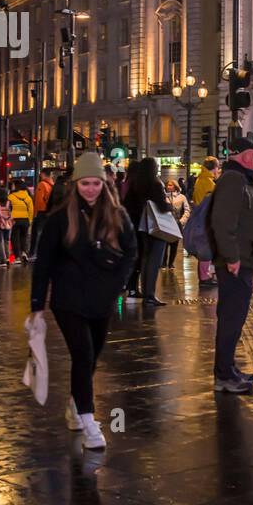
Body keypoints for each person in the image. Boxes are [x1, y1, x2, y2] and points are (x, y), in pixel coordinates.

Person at [29, 152, 136, 449]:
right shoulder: (59, 219)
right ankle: (89, 424)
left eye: (95, 183)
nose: (90, 189)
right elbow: (43, 264)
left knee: (91, 358)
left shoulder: (117, 214)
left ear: (103, 184)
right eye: (85, 183)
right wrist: (37, 306)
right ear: (76, 184)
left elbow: (131, 251)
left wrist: (120, 283)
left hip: (102, 299)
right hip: (68, 300)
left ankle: (76, 405)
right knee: (83, 355)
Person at [209, 137, 253, 394]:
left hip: (243, 261)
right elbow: (223, 222)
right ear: (244, 155)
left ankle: (229, 368)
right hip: (236, 263)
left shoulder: (242, 178)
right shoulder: (234, 180)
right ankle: (224, 375)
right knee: (231, 318)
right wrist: (232, 258)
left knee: (234, 318)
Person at [122, 156, 170, 306]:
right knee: (154, 260)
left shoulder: (136, 185)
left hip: (141, 227)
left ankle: (144, 291)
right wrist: (170, 207)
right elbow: (162, 206)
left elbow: (128, 205)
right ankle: (150, 295)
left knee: (145, 259)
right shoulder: (155, 184)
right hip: (156, 227)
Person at [193, 155, 221, 290]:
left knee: (206, 248)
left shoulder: (201, 179)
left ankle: (206, 275)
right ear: (214, 168)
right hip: (205, 219)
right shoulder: (209, 182)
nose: (218, 170)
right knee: (206, 248)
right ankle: (205, 277)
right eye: (218, 167)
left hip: (200, 217)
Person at [164, 178, 191, 267]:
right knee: (165, 244)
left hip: (176, 223)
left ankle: (171, 263)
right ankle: (163, 263)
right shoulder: (163, 196)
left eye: (171, 185)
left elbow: (187, 210)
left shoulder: (182, 197)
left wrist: (182, 221)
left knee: (174, 244)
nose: (169, 187)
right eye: (167, 185)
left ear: (175, 186)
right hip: (166, 224)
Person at [8, 179, 35, 264]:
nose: (12, 186)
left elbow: (8, 208)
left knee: (15, 238)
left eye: (13, 185)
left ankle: (17, 257)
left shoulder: (11, 196)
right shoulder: (28, 196)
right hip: (26, 220)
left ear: (16, 186)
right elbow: (31, 209)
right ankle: (24, 253)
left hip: (15, 220)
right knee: (24, 237)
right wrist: (30, 220)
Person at [31, 168, 55, 256]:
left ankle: (34, 253)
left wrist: (35, 213)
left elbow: (39, 201)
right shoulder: (53, 184)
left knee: (37, 233)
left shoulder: (42, 184)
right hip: (49, 212)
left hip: (41, 212)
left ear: (42, 174)